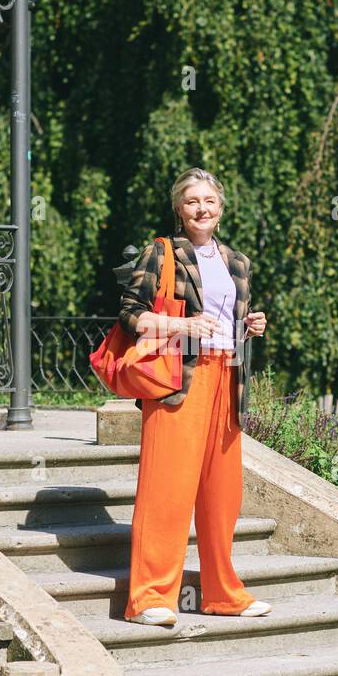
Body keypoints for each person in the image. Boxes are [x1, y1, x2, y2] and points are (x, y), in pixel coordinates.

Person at [116, 167, 270, 627]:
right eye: (192, 202)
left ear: (221, 208)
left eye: (210, 201)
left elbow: (227, 324)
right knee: (167, 489)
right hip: (178, 380)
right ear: (179, 209)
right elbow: (130, 316)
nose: (202, 209)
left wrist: (249, 327)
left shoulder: (237, 262)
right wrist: (181, 326)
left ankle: (222, 593)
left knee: (222, 494)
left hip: (227, 377)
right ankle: (148, 598)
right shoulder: (161, 254)